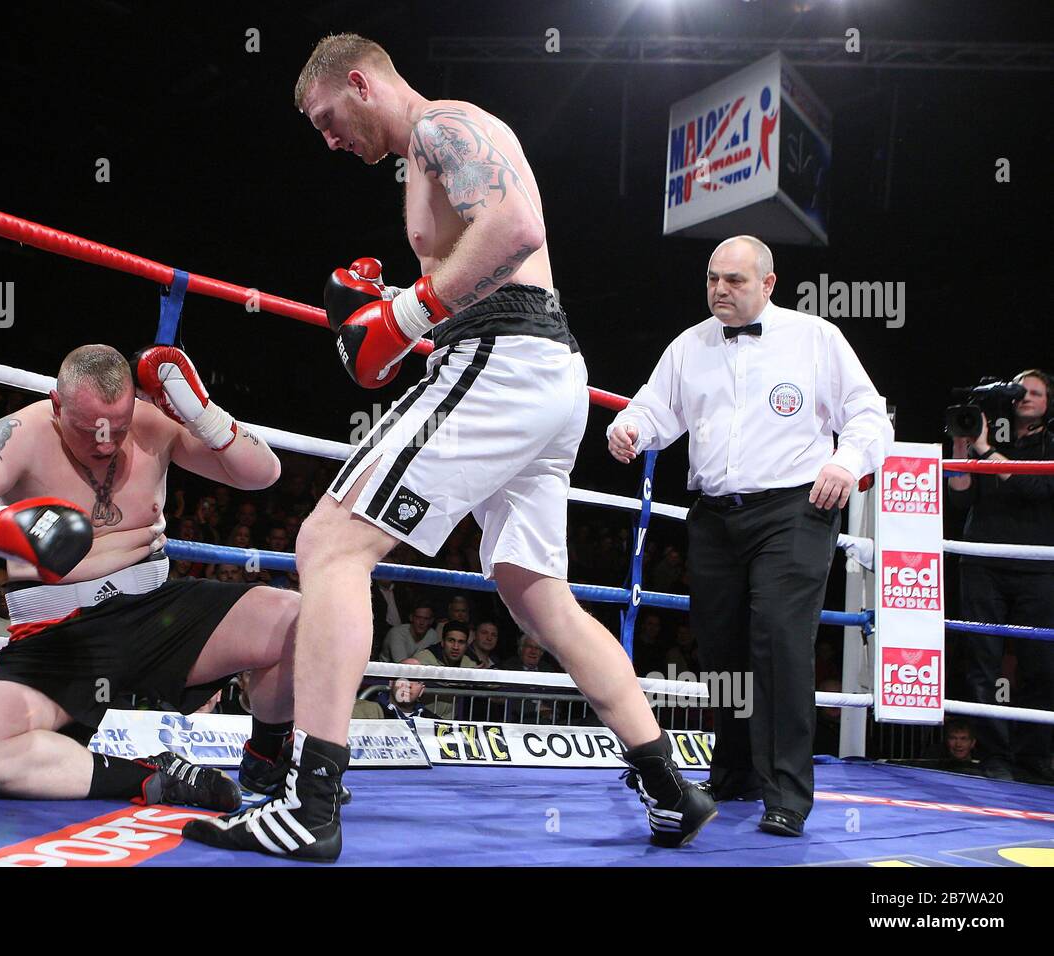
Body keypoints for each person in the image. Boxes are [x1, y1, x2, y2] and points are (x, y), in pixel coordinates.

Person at [184, 33, 715, 861]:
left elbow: (517, 224)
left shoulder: (444, 126)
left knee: (329, 543)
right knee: (537, 592)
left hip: (503, 365)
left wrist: (403, 313)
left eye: (328, 118)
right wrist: (392, 312)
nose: (328, 141)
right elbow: (474, 277)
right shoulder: (430, 160)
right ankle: (669, 787)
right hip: (538, 372)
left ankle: (309, 803)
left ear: (361, 83)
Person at [0, 344, 303, 810]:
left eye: (118, 429)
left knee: (295, 617)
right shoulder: (23, 433)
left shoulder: (153, 423)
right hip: (60, 634)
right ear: (58, 404)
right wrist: (2, 527)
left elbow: (263, 474)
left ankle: (266, 759)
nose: (104, 443)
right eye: (87, 427)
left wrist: (202, 413)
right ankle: (148, 777)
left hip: (156, 619)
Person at [607, 235, 892, 837]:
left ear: (768, 283)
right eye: (712, 278)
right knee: (720, 649)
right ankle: (734, 770)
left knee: (780, 644)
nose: (719, 290)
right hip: (714, 514)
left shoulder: (816, 338)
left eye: (734, 280)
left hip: (795, 508)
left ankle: (786, 792)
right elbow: (656, 410)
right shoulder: (689, 345)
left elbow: (867, 412)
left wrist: (848, 461)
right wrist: (630, 426)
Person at [946, 369, 1054, 782]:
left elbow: (1034, 488)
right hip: (983, 564)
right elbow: (959, 497)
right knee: (982, 665)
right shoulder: (988, 440)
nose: (1025, 397)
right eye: (1019, 391)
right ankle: (994, 756)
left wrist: (986, 449)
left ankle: (1033, 757)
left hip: (1038, 567)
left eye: (1036, 392)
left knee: (1041, 665)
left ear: (1048, 403)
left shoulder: (1048, 443)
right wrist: (961, 448)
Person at [351, 658, 439, 720]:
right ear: (391, 682)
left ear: (421, 690)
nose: (408, 684)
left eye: (416, 680)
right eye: (403, 677)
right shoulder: (366, 712)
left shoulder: (432, 721)